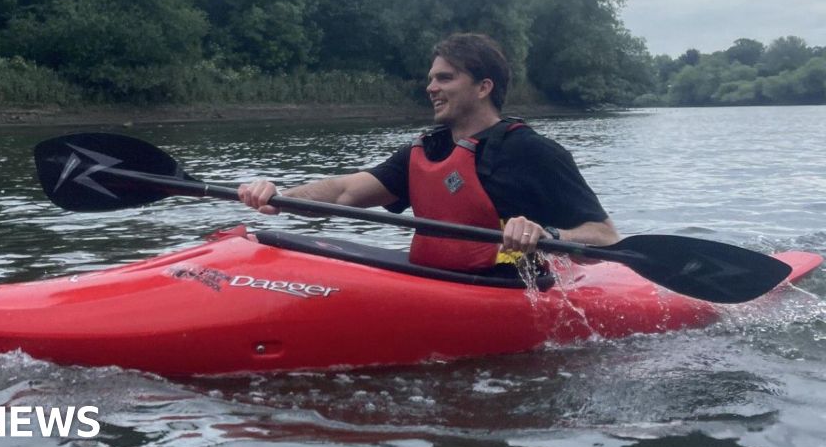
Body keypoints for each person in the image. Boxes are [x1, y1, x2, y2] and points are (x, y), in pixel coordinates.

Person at [238, 33, 619, 273]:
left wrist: (549, 232)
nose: (430, 87)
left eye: (445, 78)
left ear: (484, 86)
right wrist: (281, 199)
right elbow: (344, 193)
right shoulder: (426, 152)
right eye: (431, 78)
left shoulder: (533, 152)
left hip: (508, 292)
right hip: (436, 284)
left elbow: (605, 236)